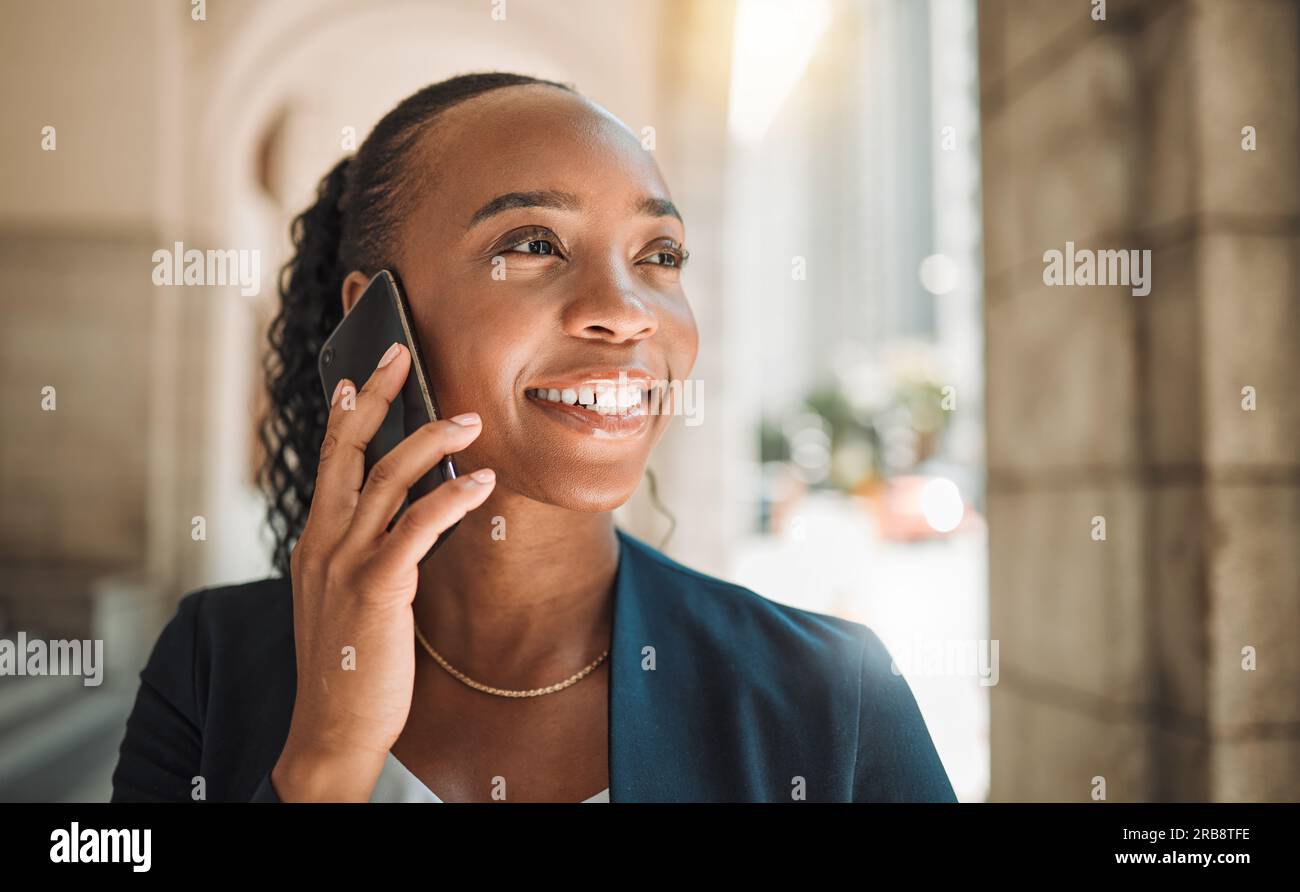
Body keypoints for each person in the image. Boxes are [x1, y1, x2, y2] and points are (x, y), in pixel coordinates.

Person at [110, 72, 956, 803]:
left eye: (659, 253)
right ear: (376, 318)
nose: (626, 312)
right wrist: (326, 763)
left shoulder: (834, 696)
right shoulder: (211, 663)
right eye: (533, 243)